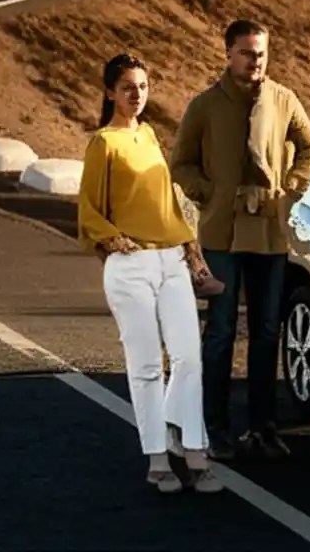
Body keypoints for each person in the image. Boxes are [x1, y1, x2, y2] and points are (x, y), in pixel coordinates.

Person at [170, 19, 310, 460]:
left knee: (267, 331)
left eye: (262, 53)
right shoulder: (205, 106)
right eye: (248, 53)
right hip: (222, 235)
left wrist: (288, 189)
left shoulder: (283, 100)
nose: (256, 61)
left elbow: (309, 147)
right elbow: (182, 164)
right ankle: (213, 428)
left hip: (269, 234)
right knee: (220, 332)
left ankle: (262, 427)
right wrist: (213, 195)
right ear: (228, 54)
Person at [77, 53, 224, 494]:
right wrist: (114, 240)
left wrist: (189, 249)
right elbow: (88, 209)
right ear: (109, 93)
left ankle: (189, 444)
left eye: (141, 86)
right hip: (131, 265)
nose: (136, 94)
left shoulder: (149, 136)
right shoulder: (104, 143)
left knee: (188, 358)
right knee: (144, 367)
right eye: (126, 87)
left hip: (171, 260)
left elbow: (167, 204)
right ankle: (159, 459)